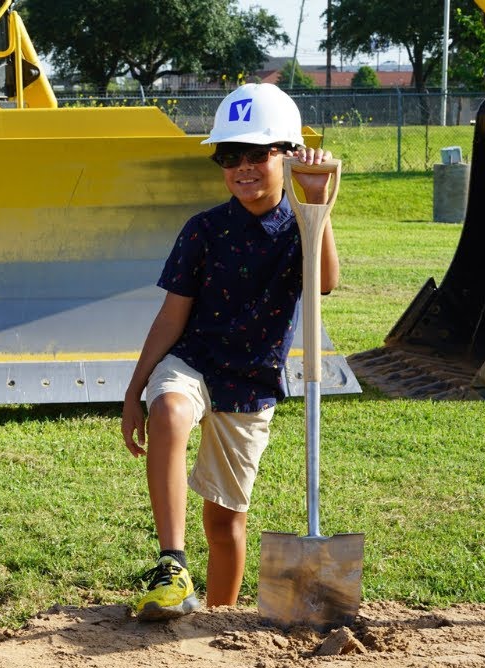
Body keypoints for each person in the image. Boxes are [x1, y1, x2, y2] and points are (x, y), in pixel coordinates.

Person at [120, 83, 340, 620]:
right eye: (229, 156)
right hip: (193, 363)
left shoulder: (300, 229)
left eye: (257, 154)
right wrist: (133, 393)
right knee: (170, 409)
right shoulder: (203, 230)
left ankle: (216, 619)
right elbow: (171, 316)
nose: (243, 167)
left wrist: (319, 204)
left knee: (224, 523)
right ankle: (172, 564)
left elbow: (326, 282)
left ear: (286, 154)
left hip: (252, 385)